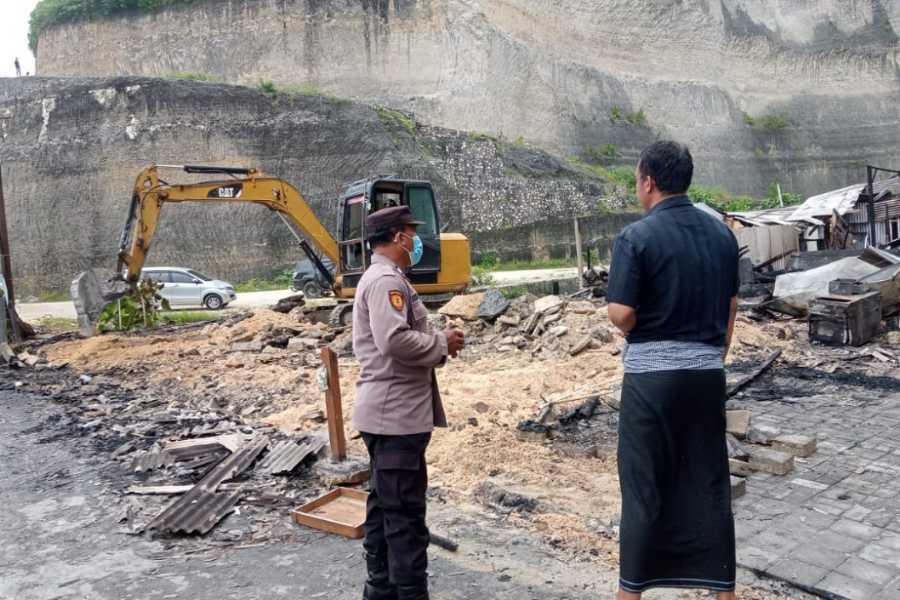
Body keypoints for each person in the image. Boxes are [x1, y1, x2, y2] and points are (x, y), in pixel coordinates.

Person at [606, 141, 739, 600]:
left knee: (645, 487)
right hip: (706, 378)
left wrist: (647, 321)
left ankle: (631, 593)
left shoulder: (636, 237)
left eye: (637, 180)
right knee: (708, 481)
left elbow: (621, 313)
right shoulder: (722, 234)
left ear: (649, 181)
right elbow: (732, 304)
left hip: (652, 383)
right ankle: (724, 592)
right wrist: (715, 353)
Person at [352, 205, 465, 600]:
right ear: (398, 237)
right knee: (404, 516)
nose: (417, 240)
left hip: (390, 415)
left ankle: (380, 589)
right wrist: (441, 343)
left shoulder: (386, 278)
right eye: (412, 233)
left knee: (385, 506)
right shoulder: (386, 282)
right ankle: (407, 592)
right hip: (394, 417)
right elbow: (394, 340)